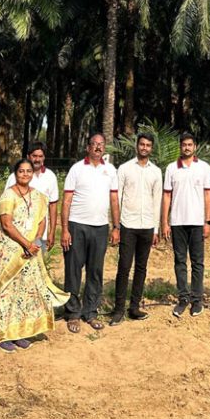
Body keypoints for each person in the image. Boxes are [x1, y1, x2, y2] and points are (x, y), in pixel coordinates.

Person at [0, 158, 69, 352]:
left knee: (24, 292)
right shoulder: (8, 195)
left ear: (32, 174)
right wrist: (25, 243)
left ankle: (19, 333)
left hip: (31, 249)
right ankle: (2, 335)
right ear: (15, 174)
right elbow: (7, 224)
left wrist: (35, 241)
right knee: (6, 291)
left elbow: (42, 220)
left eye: (28, 171)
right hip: (10, 250)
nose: (25, 174)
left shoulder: (39, 196)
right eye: (21, 171)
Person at [61, 132, 120, 333]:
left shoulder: (110, 170)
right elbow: (67, 201)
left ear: (104, 148)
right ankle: (73, 313)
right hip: (77, 226)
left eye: (101, 144)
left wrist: (116, 227)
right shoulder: (77, 169)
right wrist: (65, 230)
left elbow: (114, 200)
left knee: (95, 271)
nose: (97, 147)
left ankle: (91, 312)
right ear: (87, 147)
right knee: (73, 270)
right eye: (94, 144)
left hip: (100, 228)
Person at [110, 132, 163, 325]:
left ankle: (134, 307)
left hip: (147, 225)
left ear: (151, 148)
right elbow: (117, 198)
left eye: (148, 145)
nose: (145, 148)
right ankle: (118, 310)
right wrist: (116, 226)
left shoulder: (156, 172)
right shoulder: (124, 169)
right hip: (128, 225)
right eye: (142, 144)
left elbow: (157, 201)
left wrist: (156, 229)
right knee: (124, 267)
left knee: (141, 268)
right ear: (137, 146)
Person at [161, 132, 210, 318]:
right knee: (180, 262)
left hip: (197, 222)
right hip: (177, 222)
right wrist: (164, 222)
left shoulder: (204, 168)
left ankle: (197, 300)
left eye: (190, 144)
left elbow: (208, 196)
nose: (187, 147)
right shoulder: (171, 168)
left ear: (195, 147)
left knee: (198, 262)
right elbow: (166, 196)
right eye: (184, 145)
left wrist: (207, 222)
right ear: (180, 147)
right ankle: (183, 298)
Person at [4, 141, 59, 249]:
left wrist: (51, 232)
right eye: (34, 156)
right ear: (28, 156)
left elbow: (53, 206)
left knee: (37, 265)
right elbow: (6, 206)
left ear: (44, 158)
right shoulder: (14, 177)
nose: (37, 159)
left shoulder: (50, 177)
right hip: (16, 235)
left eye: (40, 156)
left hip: (39, 236)